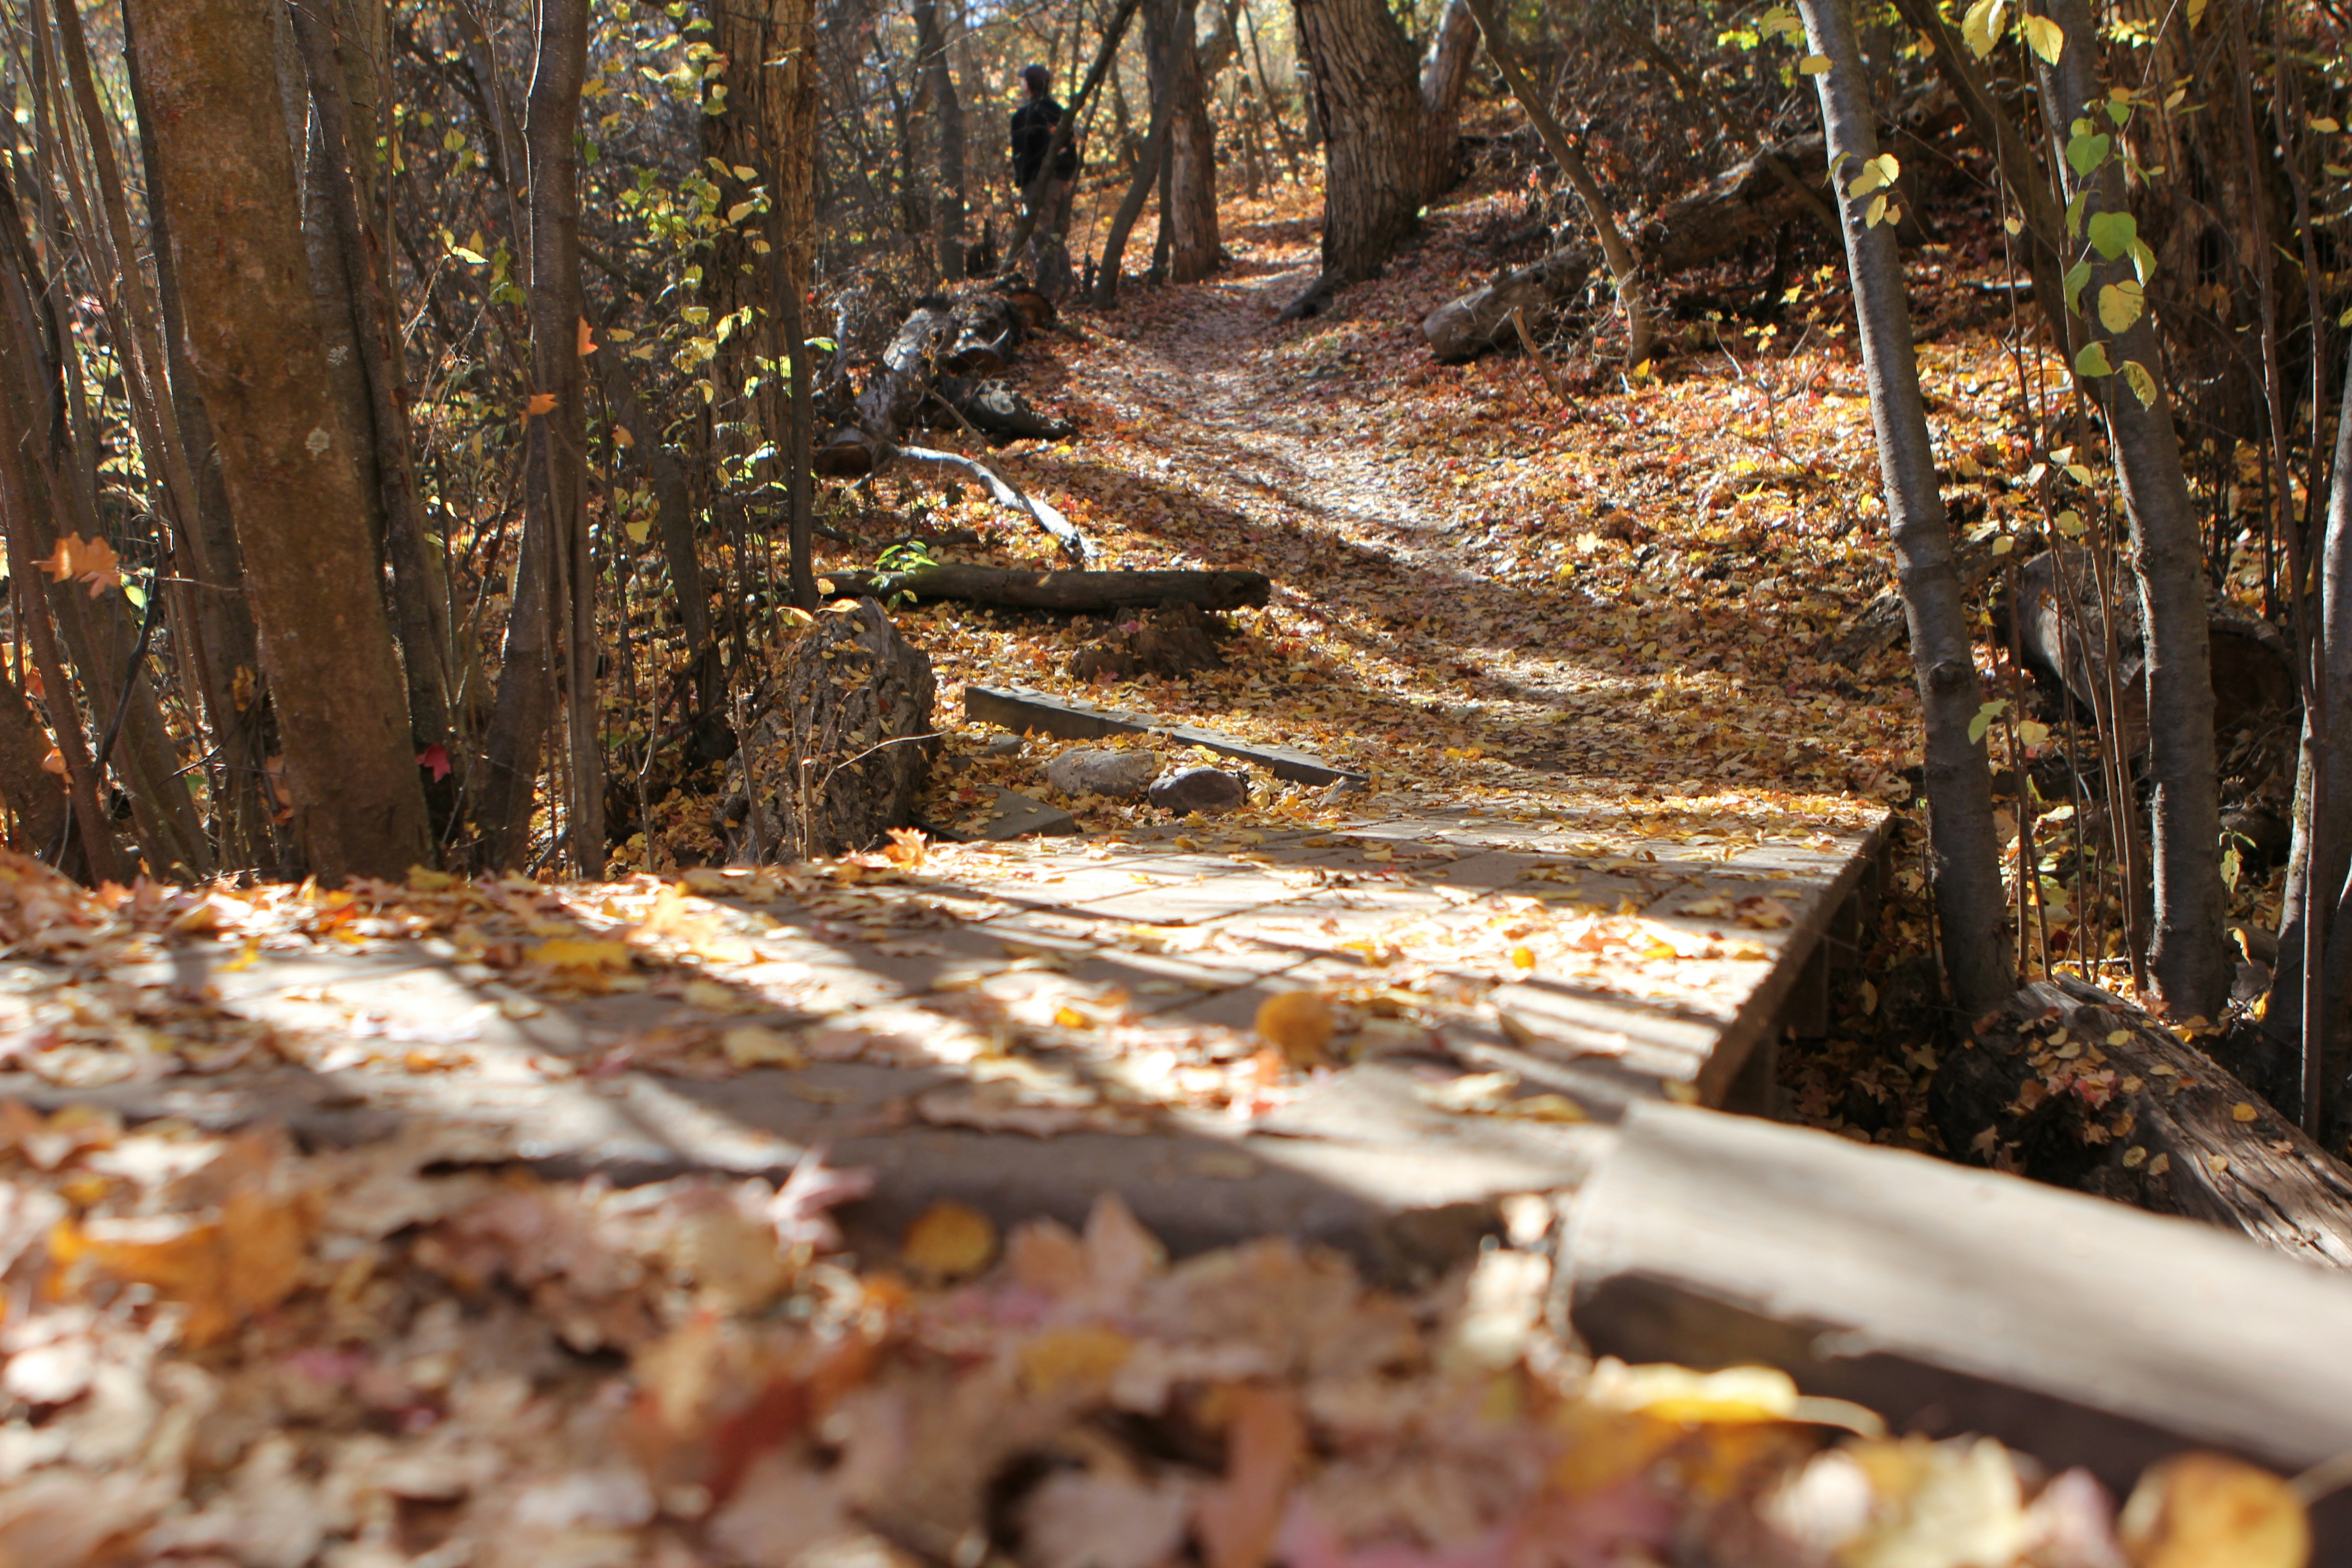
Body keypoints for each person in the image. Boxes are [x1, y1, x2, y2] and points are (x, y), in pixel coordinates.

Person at [1008, 64, 1078, 297]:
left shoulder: (1023, 117)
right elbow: (1072, 151)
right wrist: (1066, 179)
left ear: (1028, 86)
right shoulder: (1060, 112)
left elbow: (1021, 155)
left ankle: (1048, 296)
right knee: (1055, 238)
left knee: (1044, 239)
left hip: (1041, 186)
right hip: (1062, 185)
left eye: (1023, 82)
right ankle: (1068, 289)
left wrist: (1024, 182)